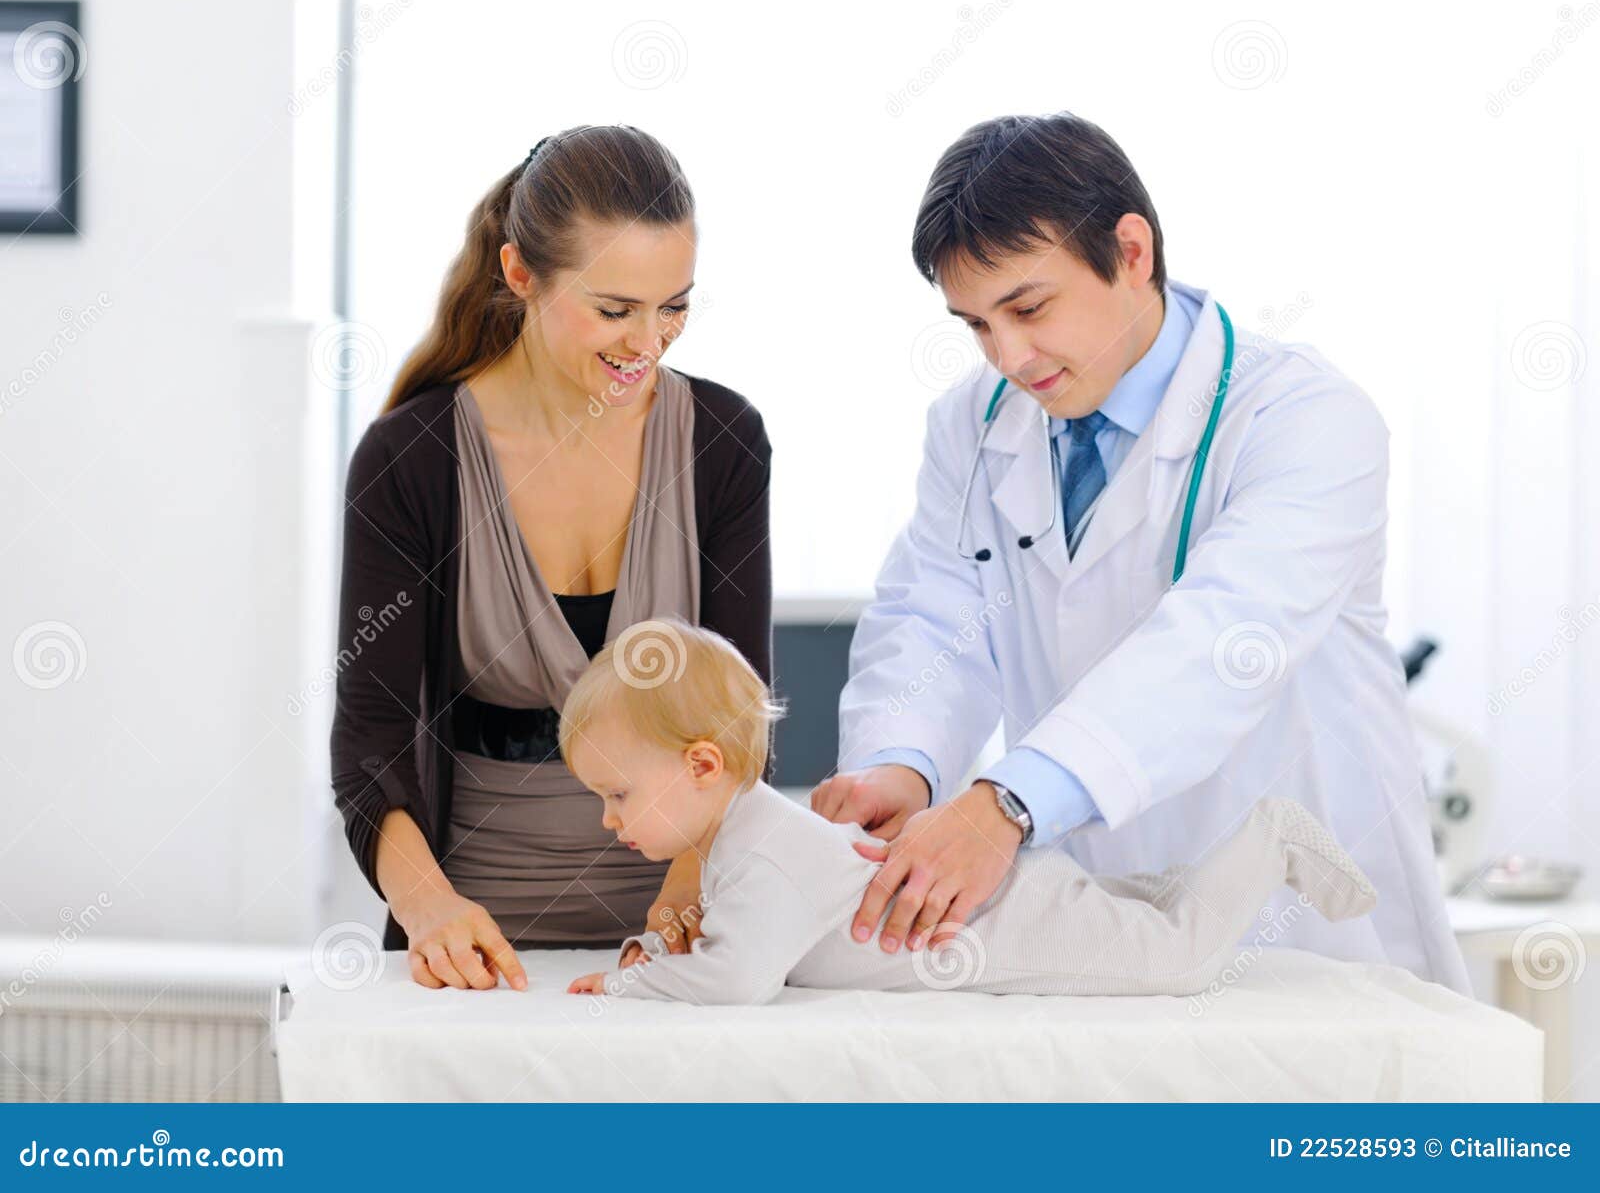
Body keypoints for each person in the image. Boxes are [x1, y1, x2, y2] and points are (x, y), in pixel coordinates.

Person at [812, 111, 1469, 995]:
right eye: (974, 325)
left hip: (1309, 937)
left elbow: (1219, 645)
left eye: (1028, 307)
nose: (1006, 356)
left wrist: (1005, 805)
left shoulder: (1303, 419)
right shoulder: (974, 423)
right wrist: (905, 763)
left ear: (1131, 251)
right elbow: (935, 616)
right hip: (1105, 940)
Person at [329, 125, 772, 991]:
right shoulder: (410, 460)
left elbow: (744, 717)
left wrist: (688, 890)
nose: (648, 344)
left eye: (674, 306)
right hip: (479, 922)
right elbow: (370, 743)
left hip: (684, 919)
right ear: (520, 274)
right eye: (614, 310)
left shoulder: (722, 443)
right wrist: (430, 913)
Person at [560, 619, 1377, 1004]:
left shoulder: (761, 852)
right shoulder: (753, 836)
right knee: (1138, 914)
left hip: (1004, 925)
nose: (607, 820)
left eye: (618, 794)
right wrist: (655, 949)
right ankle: (1174, 884)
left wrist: (630, 986)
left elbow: (736, 979)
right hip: (1009, 901)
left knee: (1177, 961)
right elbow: (732, 943)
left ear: (703, 764)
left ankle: (1273, 839)